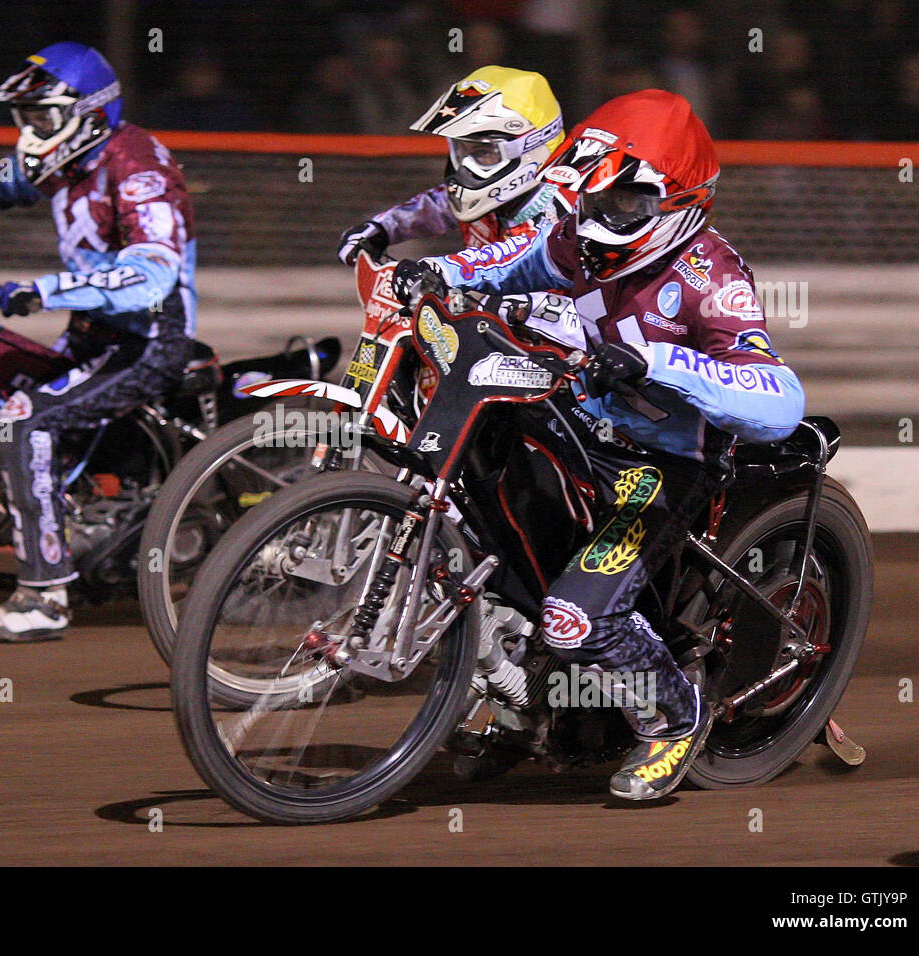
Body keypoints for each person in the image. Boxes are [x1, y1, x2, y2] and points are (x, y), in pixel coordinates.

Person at [392, 89, 806, 800]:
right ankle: (530, 696)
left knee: (572, 618)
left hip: (661, 466)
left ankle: (675, 719)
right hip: (578, 426)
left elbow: (780, 401)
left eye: (622, 205)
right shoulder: (576, 237)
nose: (597, 220)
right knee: (476, 506)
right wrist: (443, 272)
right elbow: (510, 262)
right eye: (591, 198)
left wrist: (658, 363)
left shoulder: (713, 279)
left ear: (675, 203)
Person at [0, 42, 197, 642]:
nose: (29, 135)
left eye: (42, 118)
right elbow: (10, 180)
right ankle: (75, 525)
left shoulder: (138, 166)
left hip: (148, 338)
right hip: (92, 333)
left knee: (24, 421)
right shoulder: (70, 156)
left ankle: (45, 598)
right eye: (24, 119)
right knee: (8, 423)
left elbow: (156, 272)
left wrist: (44, 290)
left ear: (91, 113)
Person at [337, 66, 570, 279]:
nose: (467, 166)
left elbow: (574, 309)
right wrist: (383, 228)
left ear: (531, 148)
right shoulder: (492, 200)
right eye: (461, 150)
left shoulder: (564, 220)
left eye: (482, 153)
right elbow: (437, 207)